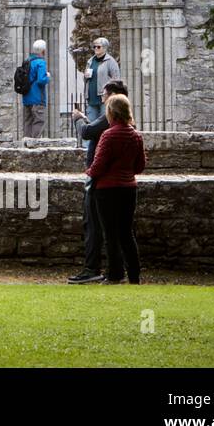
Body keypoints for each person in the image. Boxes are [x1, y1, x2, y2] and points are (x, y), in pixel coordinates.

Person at [67, 78, 129, 284]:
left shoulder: (108, 123)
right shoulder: (126, 126)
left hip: (100, 182)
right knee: (117, 229)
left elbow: (87, 132)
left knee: (92, 223)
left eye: (104, 94)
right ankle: (121, 272)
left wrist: (78, 119)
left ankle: (93, 269)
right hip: (122, 184)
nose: (101, 98)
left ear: (112, 96)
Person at [87, 93, 146, 284]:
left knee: (110, 234)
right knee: (126, 233)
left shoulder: (108, 135)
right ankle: (134, 275)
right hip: (129, 188)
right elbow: (139, 167)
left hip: (107, 190)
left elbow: (98, 165)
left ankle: (115, 274)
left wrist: (89, 173)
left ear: (111, 112)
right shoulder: (135, 136)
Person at [82, 37, 121, 124]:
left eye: (98, 47)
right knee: (91, 124)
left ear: (105, 48)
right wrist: (85, 76)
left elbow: (116, 79)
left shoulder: (110, 61)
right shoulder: (90, 61)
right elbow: (85, 79)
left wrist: (111, 93)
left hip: (105, 98)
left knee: (104, 123)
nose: (96, 48)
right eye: (94, 47)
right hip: (91, 98)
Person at [22, 39, 50, 138]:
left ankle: (26, 142)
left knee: (28, 121)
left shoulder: (27, 61)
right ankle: (34, 143)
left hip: (26, 97)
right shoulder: (40, 62)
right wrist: (48, 76)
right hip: (37, 97)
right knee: (39, 120)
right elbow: (41, 80)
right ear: (43, 51)